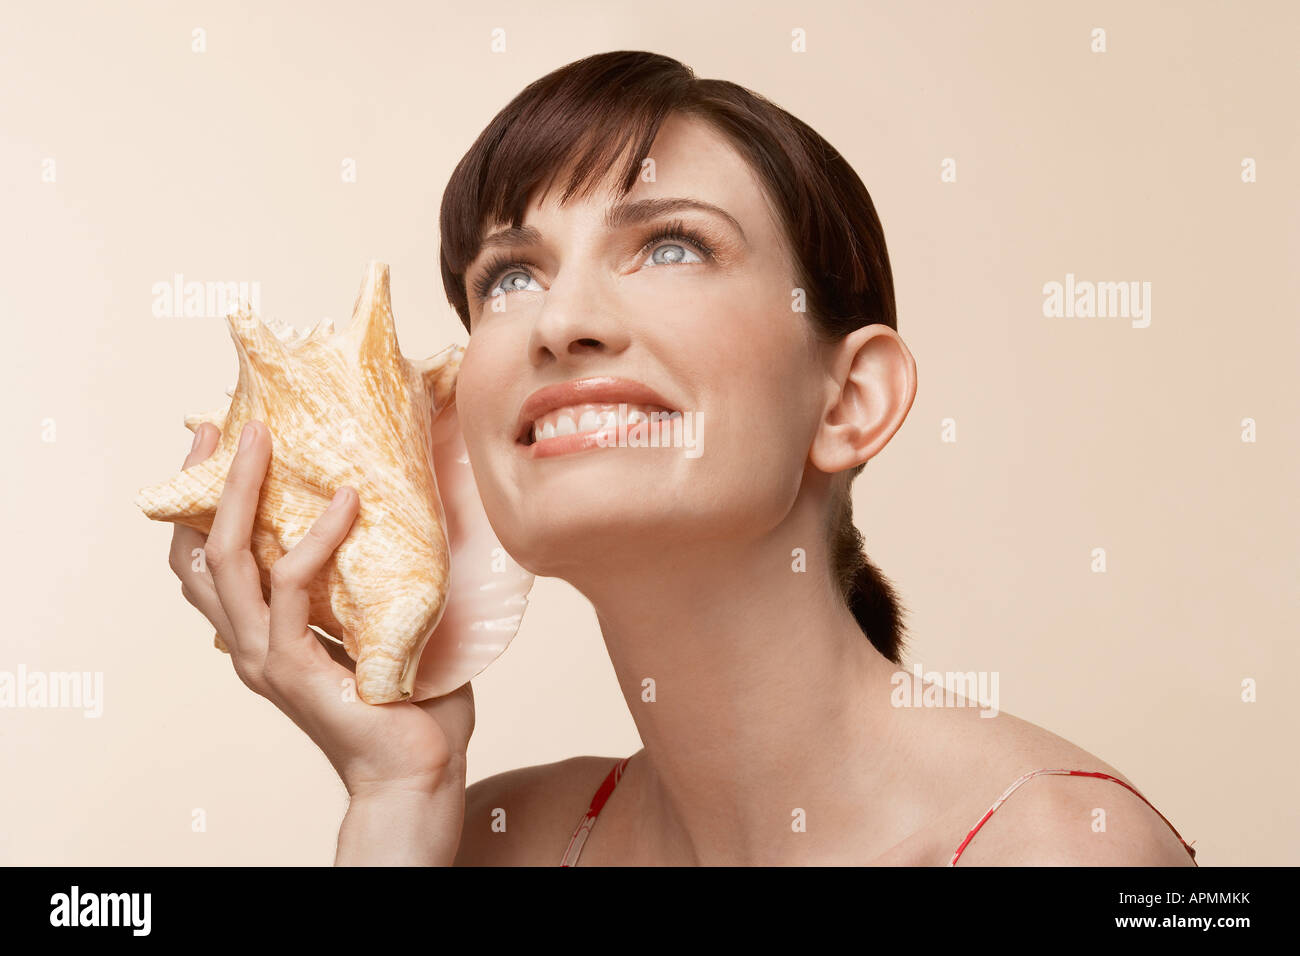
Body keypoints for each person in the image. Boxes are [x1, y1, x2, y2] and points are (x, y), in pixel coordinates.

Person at [168, 51, 1197, 866]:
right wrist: (396, 797)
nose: (560, 320)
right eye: (511, 274)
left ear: (849, 400)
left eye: (671, 247)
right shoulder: (488, 838)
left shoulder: (1057, 850)